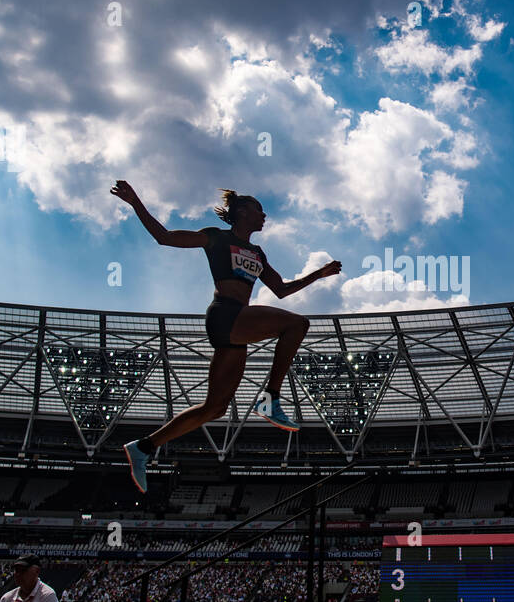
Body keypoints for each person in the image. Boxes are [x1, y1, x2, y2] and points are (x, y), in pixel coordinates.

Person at [111, 182, 341, 492]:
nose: (265, 214)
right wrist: (135, 200)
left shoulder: (257, 252)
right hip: (225, 314)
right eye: (260, 209)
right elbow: (164, 238)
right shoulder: (216, 237)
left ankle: (143, 447)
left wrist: (318, 275)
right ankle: (270, 398)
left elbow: (282, 290)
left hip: (238, 327)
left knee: (214, 408)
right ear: (243, 212)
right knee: (297, 325)